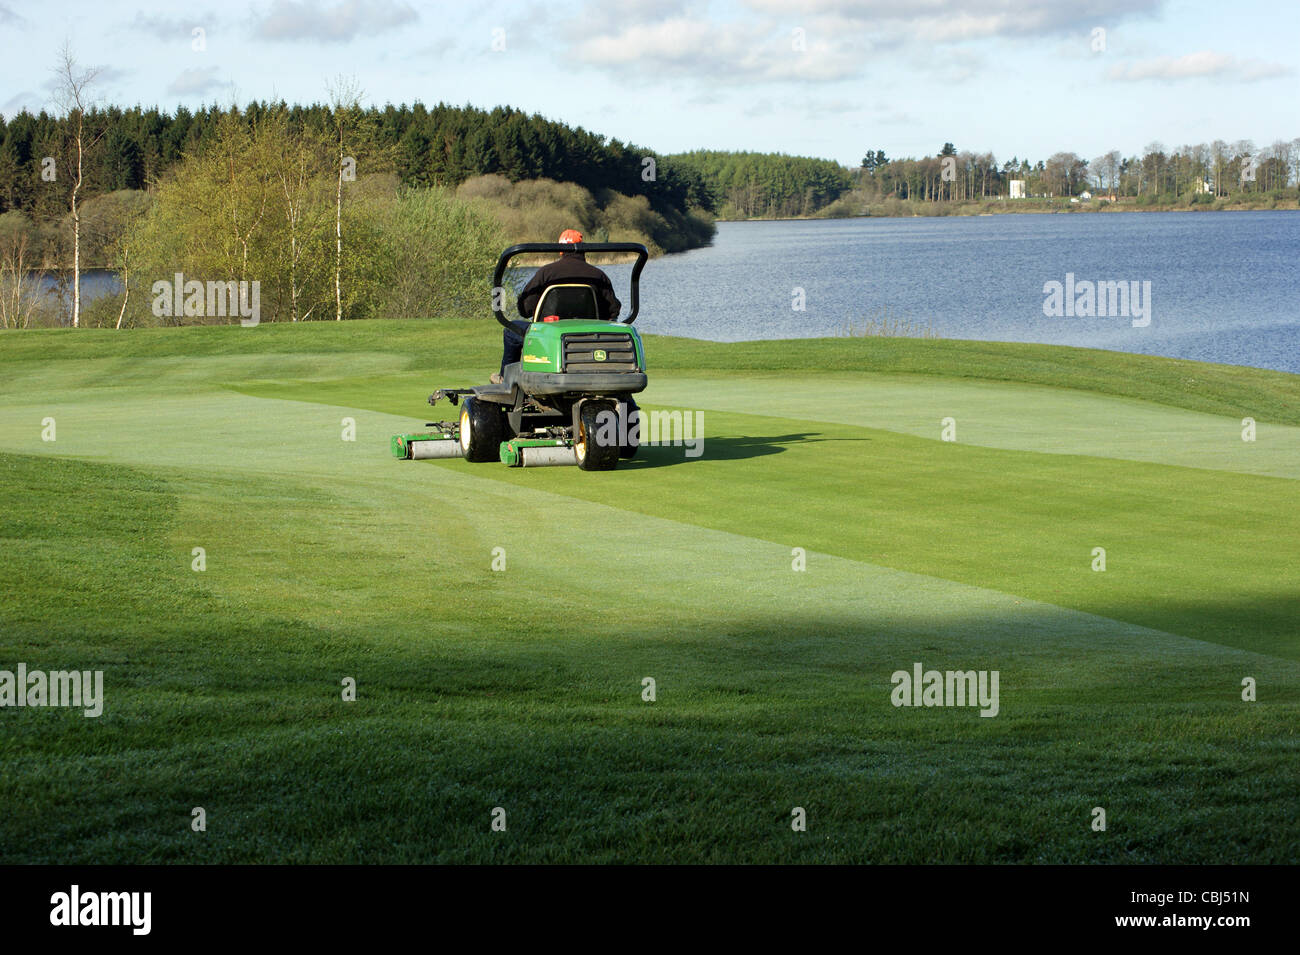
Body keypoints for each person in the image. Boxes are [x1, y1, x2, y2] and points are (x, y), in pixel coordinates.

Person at [492, 229, 621, 382]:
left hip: (548, 334)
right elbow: (613, 311)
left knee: (510, 331)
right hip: (589, 335)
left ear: (560, 250)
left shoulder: (546, 273)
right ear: (583, 248)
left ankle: (506, 379)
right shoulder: (599, 275)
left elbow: (525, 309)